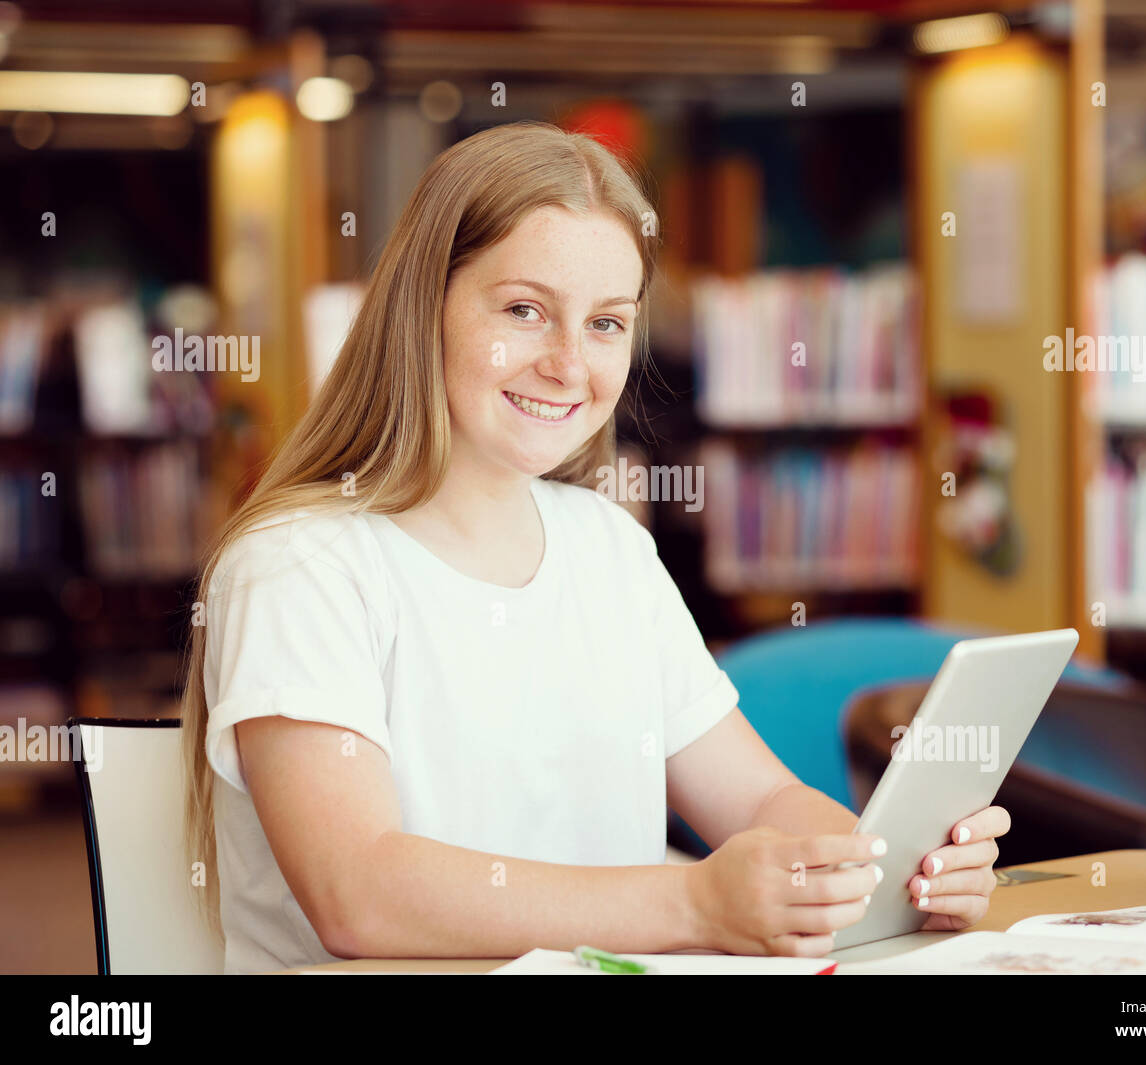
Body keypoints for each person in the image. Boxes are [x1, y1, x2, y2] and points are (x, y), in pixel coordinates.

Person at [181, 120, 1009, 974]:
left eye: (608, 324)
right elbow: (358, 891)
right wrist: (691, 900)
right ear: (421, 306)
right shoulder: (300, 564)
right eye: (525, 311)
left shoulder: (607, 544)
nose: (570, 364)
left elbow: (760, 796)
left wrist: (883, 866)